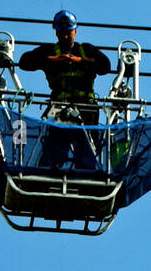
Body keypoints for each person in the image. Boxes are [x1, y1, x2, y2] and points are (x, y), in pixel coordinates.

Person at [18, 11, 112, 169]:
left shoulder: (86, 50)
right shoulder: (49, 51)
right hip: (60, 108)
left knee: (86, 152)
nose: (66, 36)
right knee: (54, 154)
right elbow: (24, 62)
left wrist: (81, 61)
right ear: (56, 33)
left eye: (69, 33)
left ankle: (85, 177)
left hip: (86, 109)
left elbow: (105, 66)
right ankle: (47, 175)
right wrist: (52, 60)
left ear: (75, 31)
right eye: (62, 33)